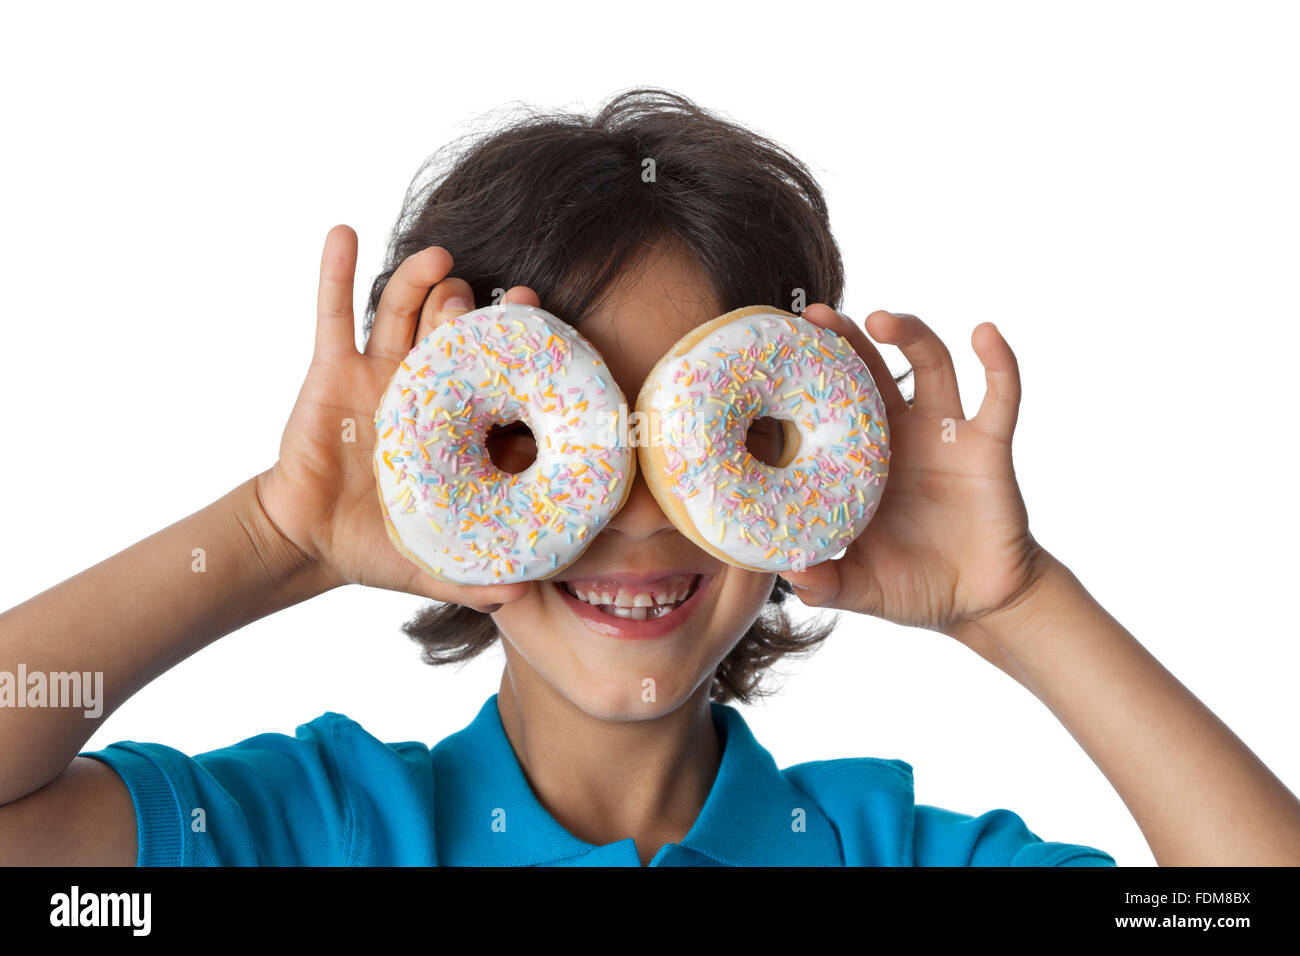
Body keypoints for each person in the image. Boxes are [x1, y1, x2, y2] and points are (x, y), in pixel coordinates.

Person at [2, 88, 1297, 866]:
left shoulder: (888, 852)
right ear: (438, 465)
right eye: (528, 443)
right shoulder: (320, 829)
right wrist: (277, 531)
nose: (628, 516)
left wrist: (1014, 605)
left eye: (704, 443)